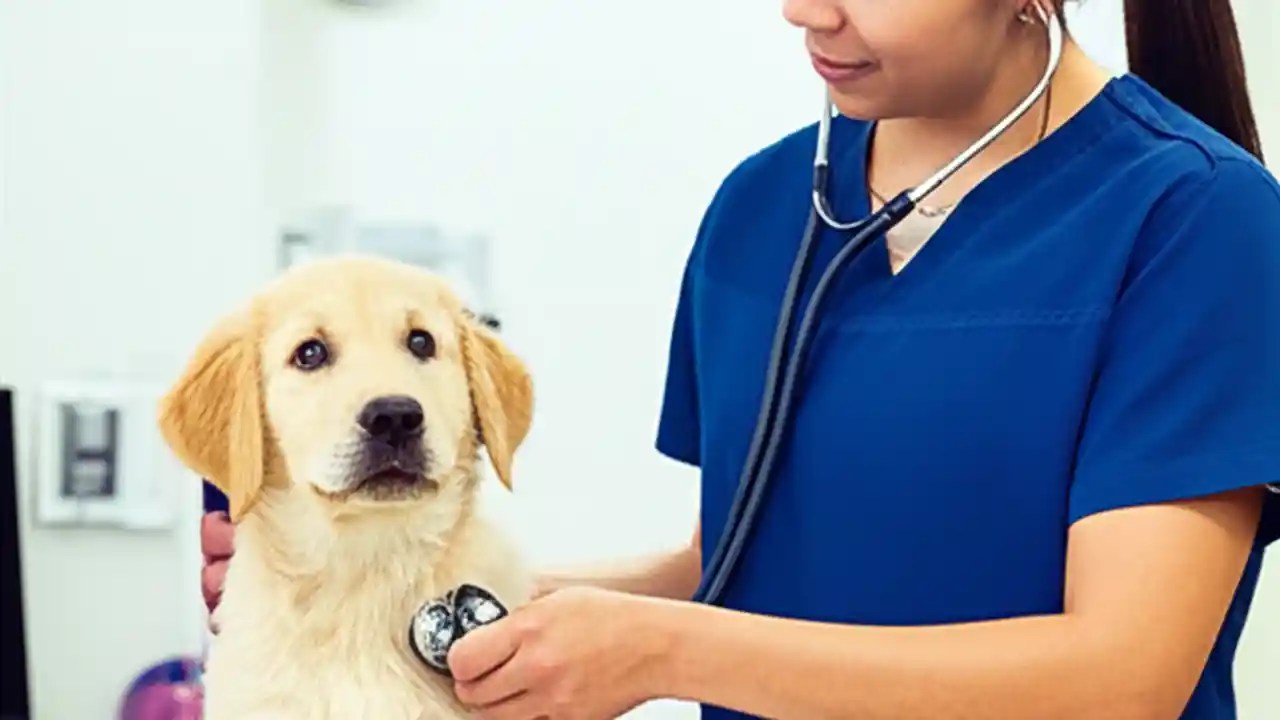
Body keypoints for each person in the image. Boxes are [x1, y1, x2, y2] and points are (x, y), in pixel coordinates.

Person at [202, 0, 1280, 717]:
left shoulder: (1192, 217)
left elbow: (1124, 674)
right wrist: (402, 594)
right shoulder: (759, 211)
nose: (805, 9)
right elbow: (738, 561)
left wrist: (665, 653)